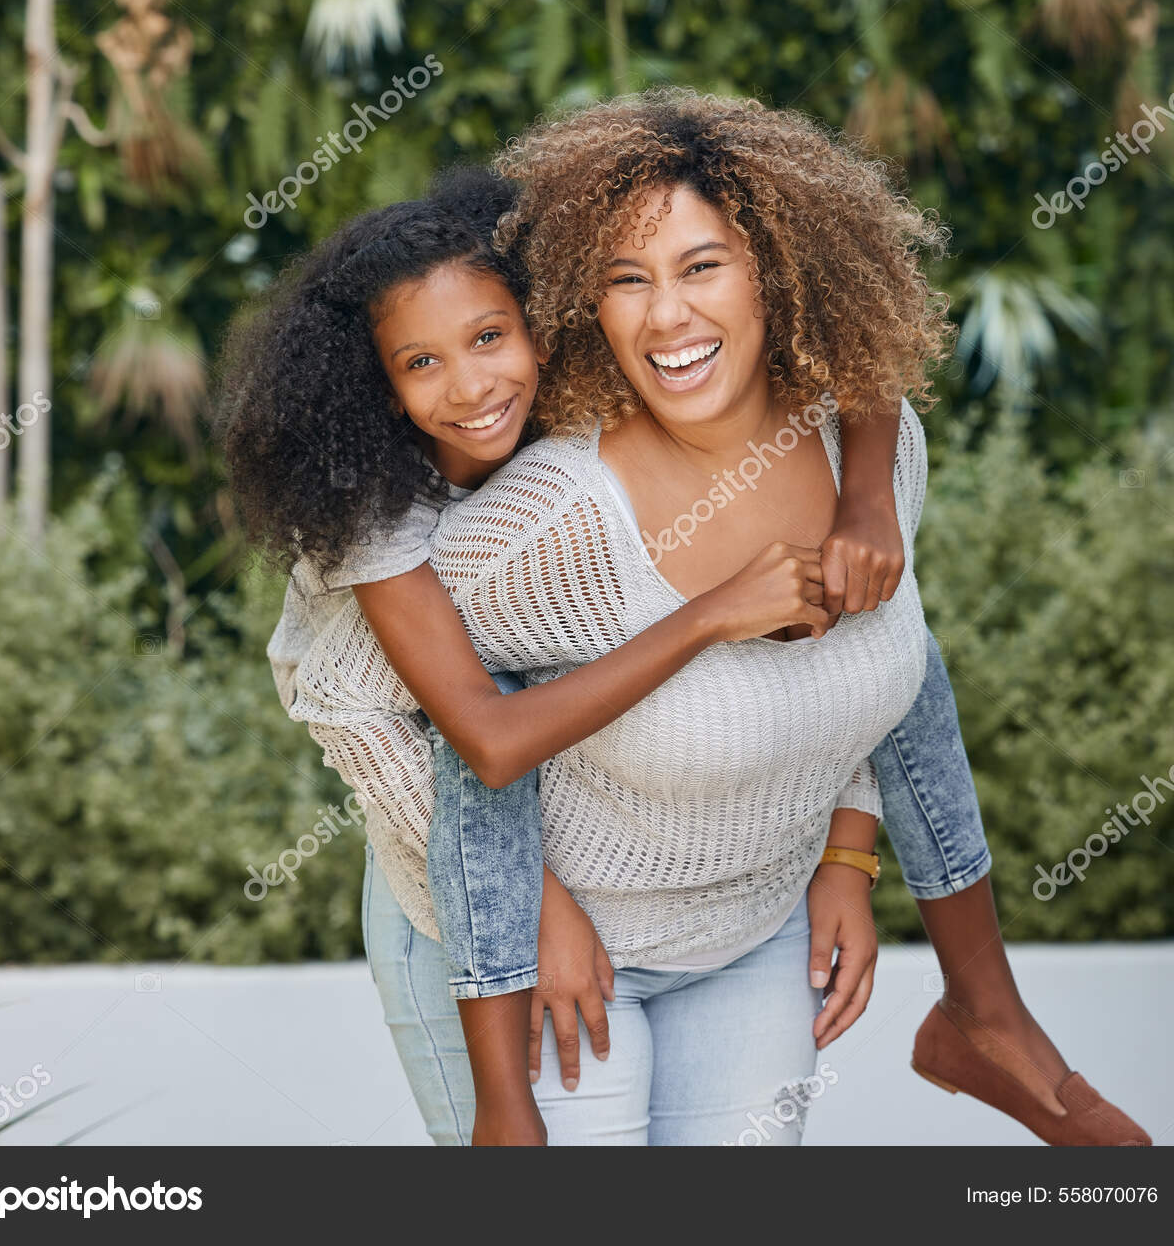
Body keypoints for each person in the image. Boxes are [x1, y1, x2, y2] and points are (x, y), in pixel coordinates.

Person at [289, 90, 1151, 1145]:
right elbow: (401, 718)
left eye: (702, 266)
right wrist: (533, 912)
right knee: (493, 704)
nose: (665, 314)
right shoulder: (473, 525)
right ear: (585, 306)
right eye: (626, 280)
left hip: (742, 927)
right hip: (516, 932)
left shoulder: (850, 441)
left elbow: (859, 398)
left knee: (893, 635)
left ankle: (986, 1009)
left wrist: (845, 847)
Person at [221, 166, 905, 1144]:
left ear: (540, 321)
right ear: (376, 384)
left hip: (691, 907)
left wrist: (847, 844)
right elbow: (472, 744)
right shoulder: (374, 520)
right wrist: (537, 910)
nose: (469, 386)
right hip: (458, 892)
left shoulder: (580, 407)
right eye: (420, 364)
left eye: (489, 337)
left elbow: (851, 360)